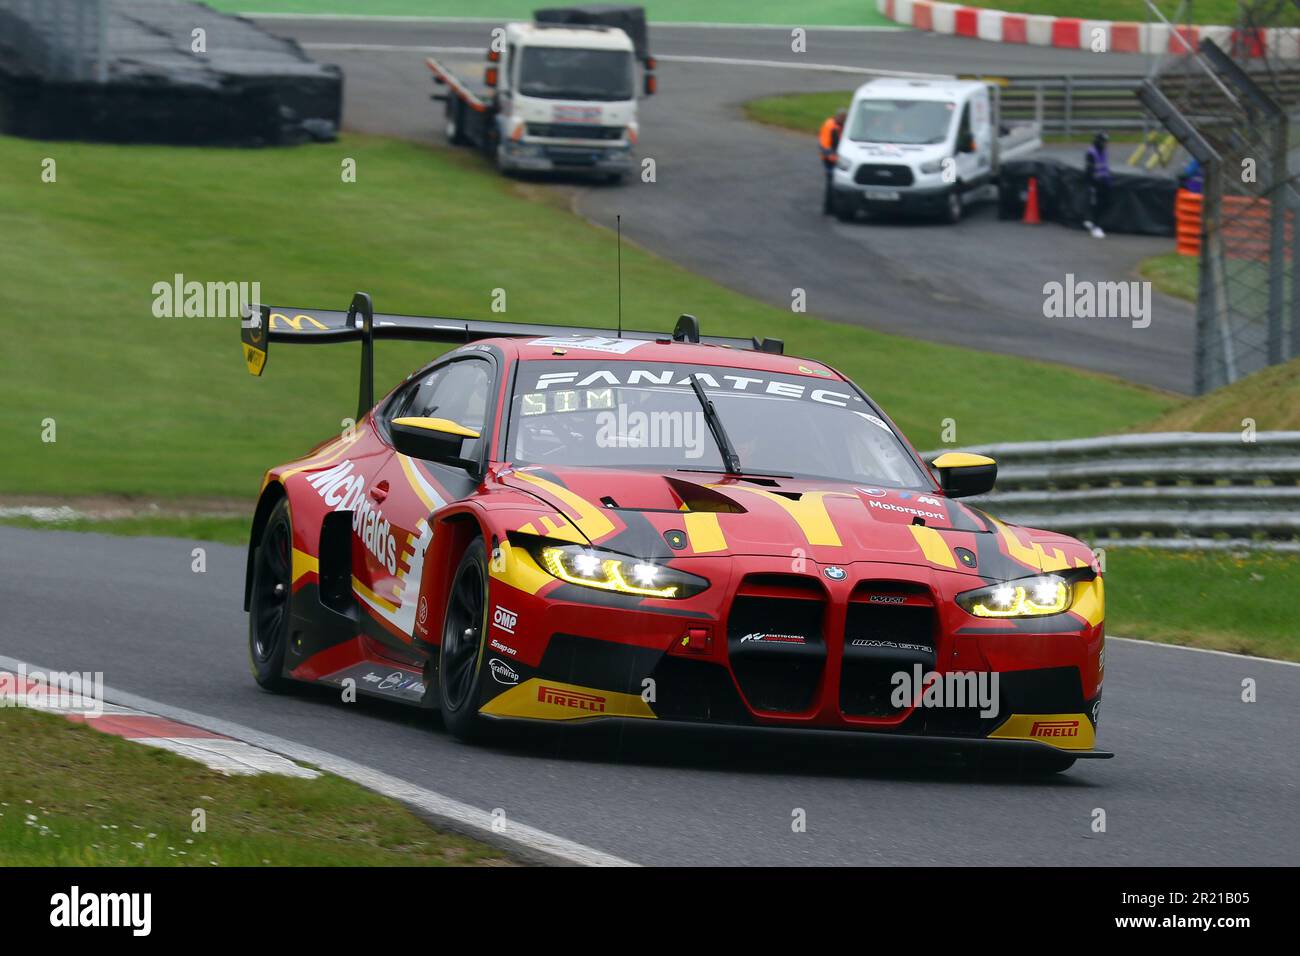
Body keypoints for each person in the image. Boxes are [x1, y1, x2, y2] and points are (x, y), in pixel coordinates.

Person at [1082, 131, 1112, 239]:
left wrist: (1108, 181)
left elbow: (1105, 167)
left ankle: (1092, 221)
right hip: (1095, 183)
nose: (1106, 144)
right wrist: (1092, 184)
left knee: (1104, 203)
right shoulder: (1091, 153)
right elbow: (1089, 171)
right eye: (1104, 142)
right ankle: (1095, 226)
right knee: (1096, 205)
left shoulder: (1104, 152)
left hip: (1104, 181)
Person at [819, 108, 848, 215]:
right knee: (831, 183)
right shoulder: (830, 126)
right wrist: (833, 158)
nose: (845, 120)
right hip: (829, 160)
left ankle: (832, 207)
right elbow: (825, 145)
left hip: (835, 158)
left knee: (833, 183)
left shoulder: (840, 126)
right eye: (844, 118)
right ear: (840, 117)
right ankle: (828, 208)